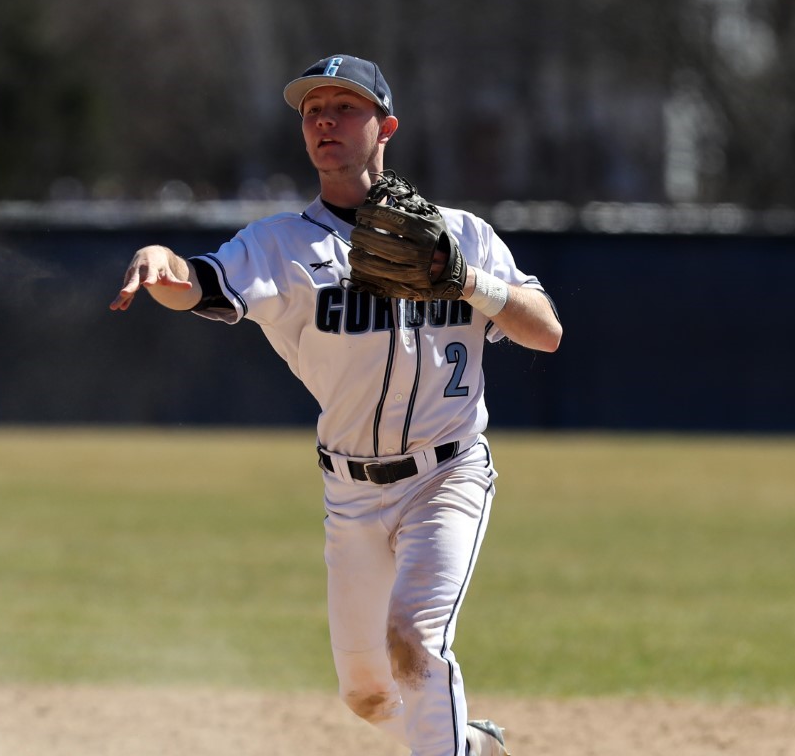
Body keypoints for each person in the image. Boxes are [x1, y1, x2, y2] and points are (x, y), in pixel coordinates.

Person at [110, 54, 562, 756]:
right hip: (350, 493)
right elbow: (198, 282)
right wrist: (160, 259)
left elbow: (547, 330)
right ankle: (467, 745)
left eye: (344, 107)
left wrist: (466, 280)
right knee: (368, 693)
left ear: (385, 125)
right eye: (313, 109)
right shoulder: (280, 246)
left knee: (415, 642)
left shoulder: (460, 235)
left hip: (448, 476)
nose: (325, 119)